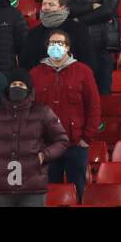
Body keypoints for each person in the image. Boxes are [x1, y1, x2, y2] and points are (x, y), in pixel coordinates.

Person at [0, 69, 69, 207]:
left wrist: (44, 156)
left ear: (29, 89)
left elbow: (62, 140)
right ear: (7, 88)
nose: (17, 87)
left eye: (21, 84)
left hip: (33, 187)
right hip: (3, 187)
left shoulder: (43, 112)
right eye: (14, 84)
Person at [29, 29, 100, 202]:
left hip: (75, 143)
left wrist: (86, 138)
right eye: (52, 43)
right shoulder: (35, 73)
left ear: (67, 47)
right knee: (51, 192)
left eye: (60, 43)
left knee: (79, 190)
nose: (55, 46)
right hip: (47, 144)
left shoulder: (83, 71)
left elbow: (94, 106)